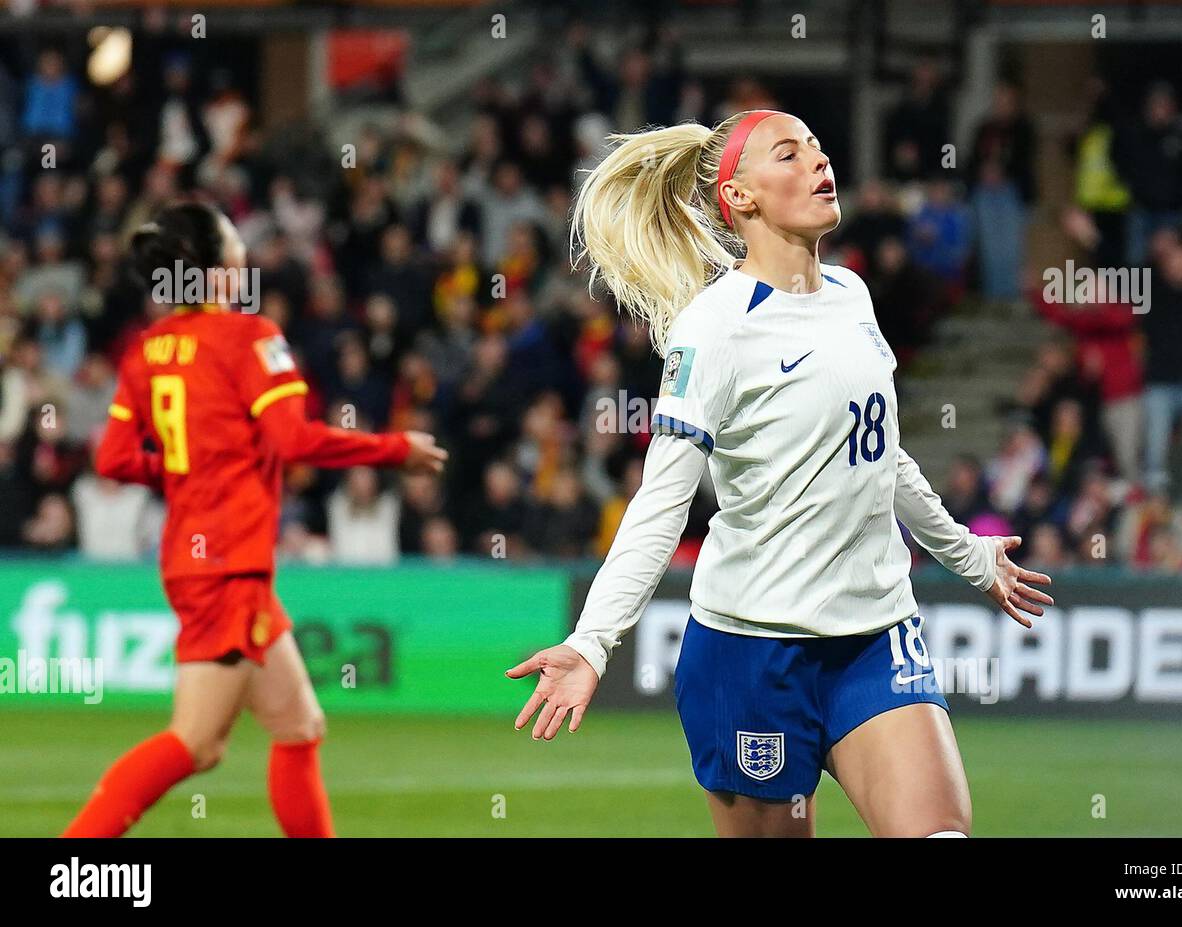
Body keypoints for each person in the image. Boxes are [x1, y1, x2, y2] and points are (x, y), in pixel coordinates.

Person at [507, 111, 1053, 837]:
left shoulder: (852, 295)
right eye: (789, 155)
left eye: (820, 149)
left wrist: (965, 552)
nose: (819, 163)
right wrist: (593, 639)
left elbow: (881, 453)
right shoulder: (715, 327)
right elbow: (661, 500)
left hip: (874, 635)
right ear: (740, 198)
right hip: (750, 654)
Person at [62, 202, 448, 838]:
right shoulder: (251, 338)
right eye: (236, 242)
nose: (246, 253)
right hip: (229, 565)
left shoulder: (147, 351)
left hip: (202, 561)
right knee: (195, 743)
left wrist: (187, 474)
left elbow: (114, 458)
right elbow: (293, 441)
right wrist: (393, 449)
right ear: (215, 266)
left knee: (300, 728)